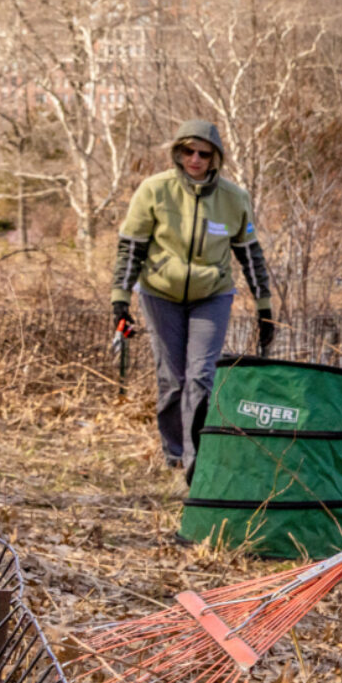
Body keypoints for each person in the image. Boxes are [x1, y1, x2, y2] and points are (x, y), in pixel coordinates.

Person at [112, 121, 277, 471]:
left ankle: (195, 459)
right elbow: (131, 248)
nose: (196, 159)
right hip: (160, 293)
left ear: (215, 157)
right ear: (178, 152)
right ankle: (174, 453)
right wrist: (120, 300)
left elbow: (251, 256)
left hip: (212, 294)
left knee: (201, 375)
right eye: (188, 151)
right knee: (172, 379)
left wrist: (264, 308)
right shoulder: (154, 190)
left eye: (204, 153)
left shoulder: (234, 199)